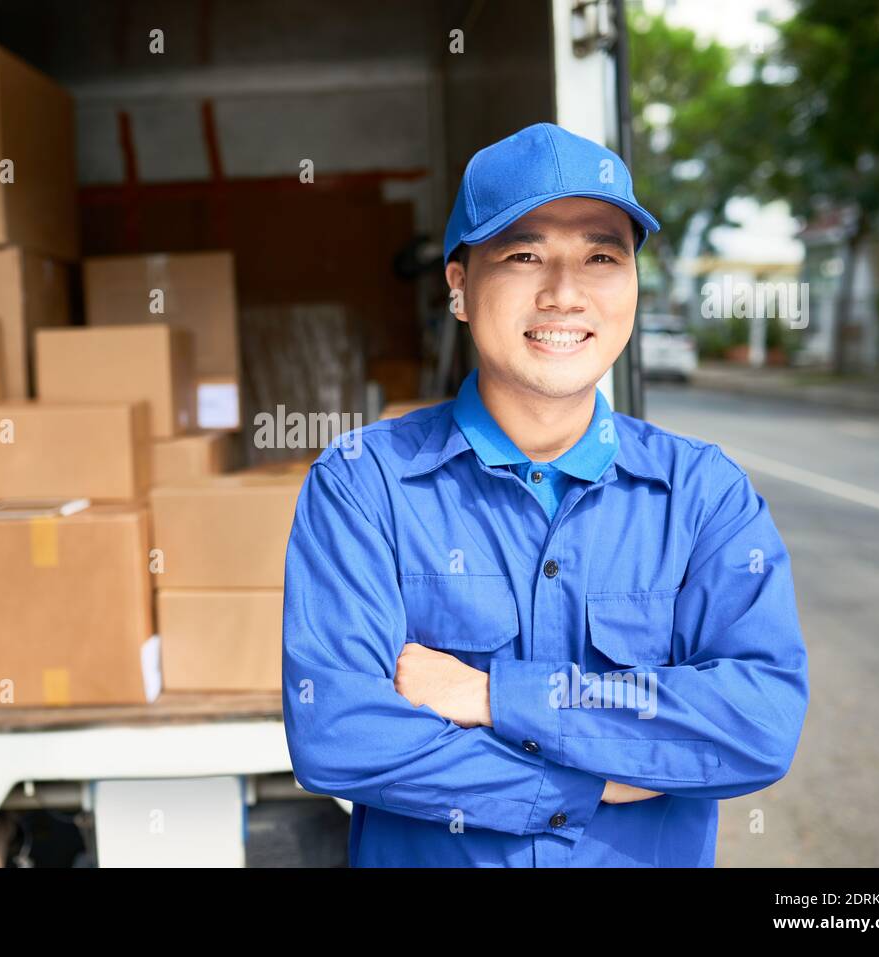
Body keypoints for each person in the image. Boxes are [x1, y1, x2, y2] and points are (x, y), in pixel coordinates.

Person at [281, 122, 809, 867]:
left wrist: (496, 697)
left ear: (630, 285)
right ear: (460, 288)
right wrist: (592, 780)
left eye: (601, 255)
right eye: (524, 254)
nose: (565, 293)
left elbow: (757, 722)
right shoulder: (363, 485)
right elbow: (339, 734)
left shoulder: (703, 495)